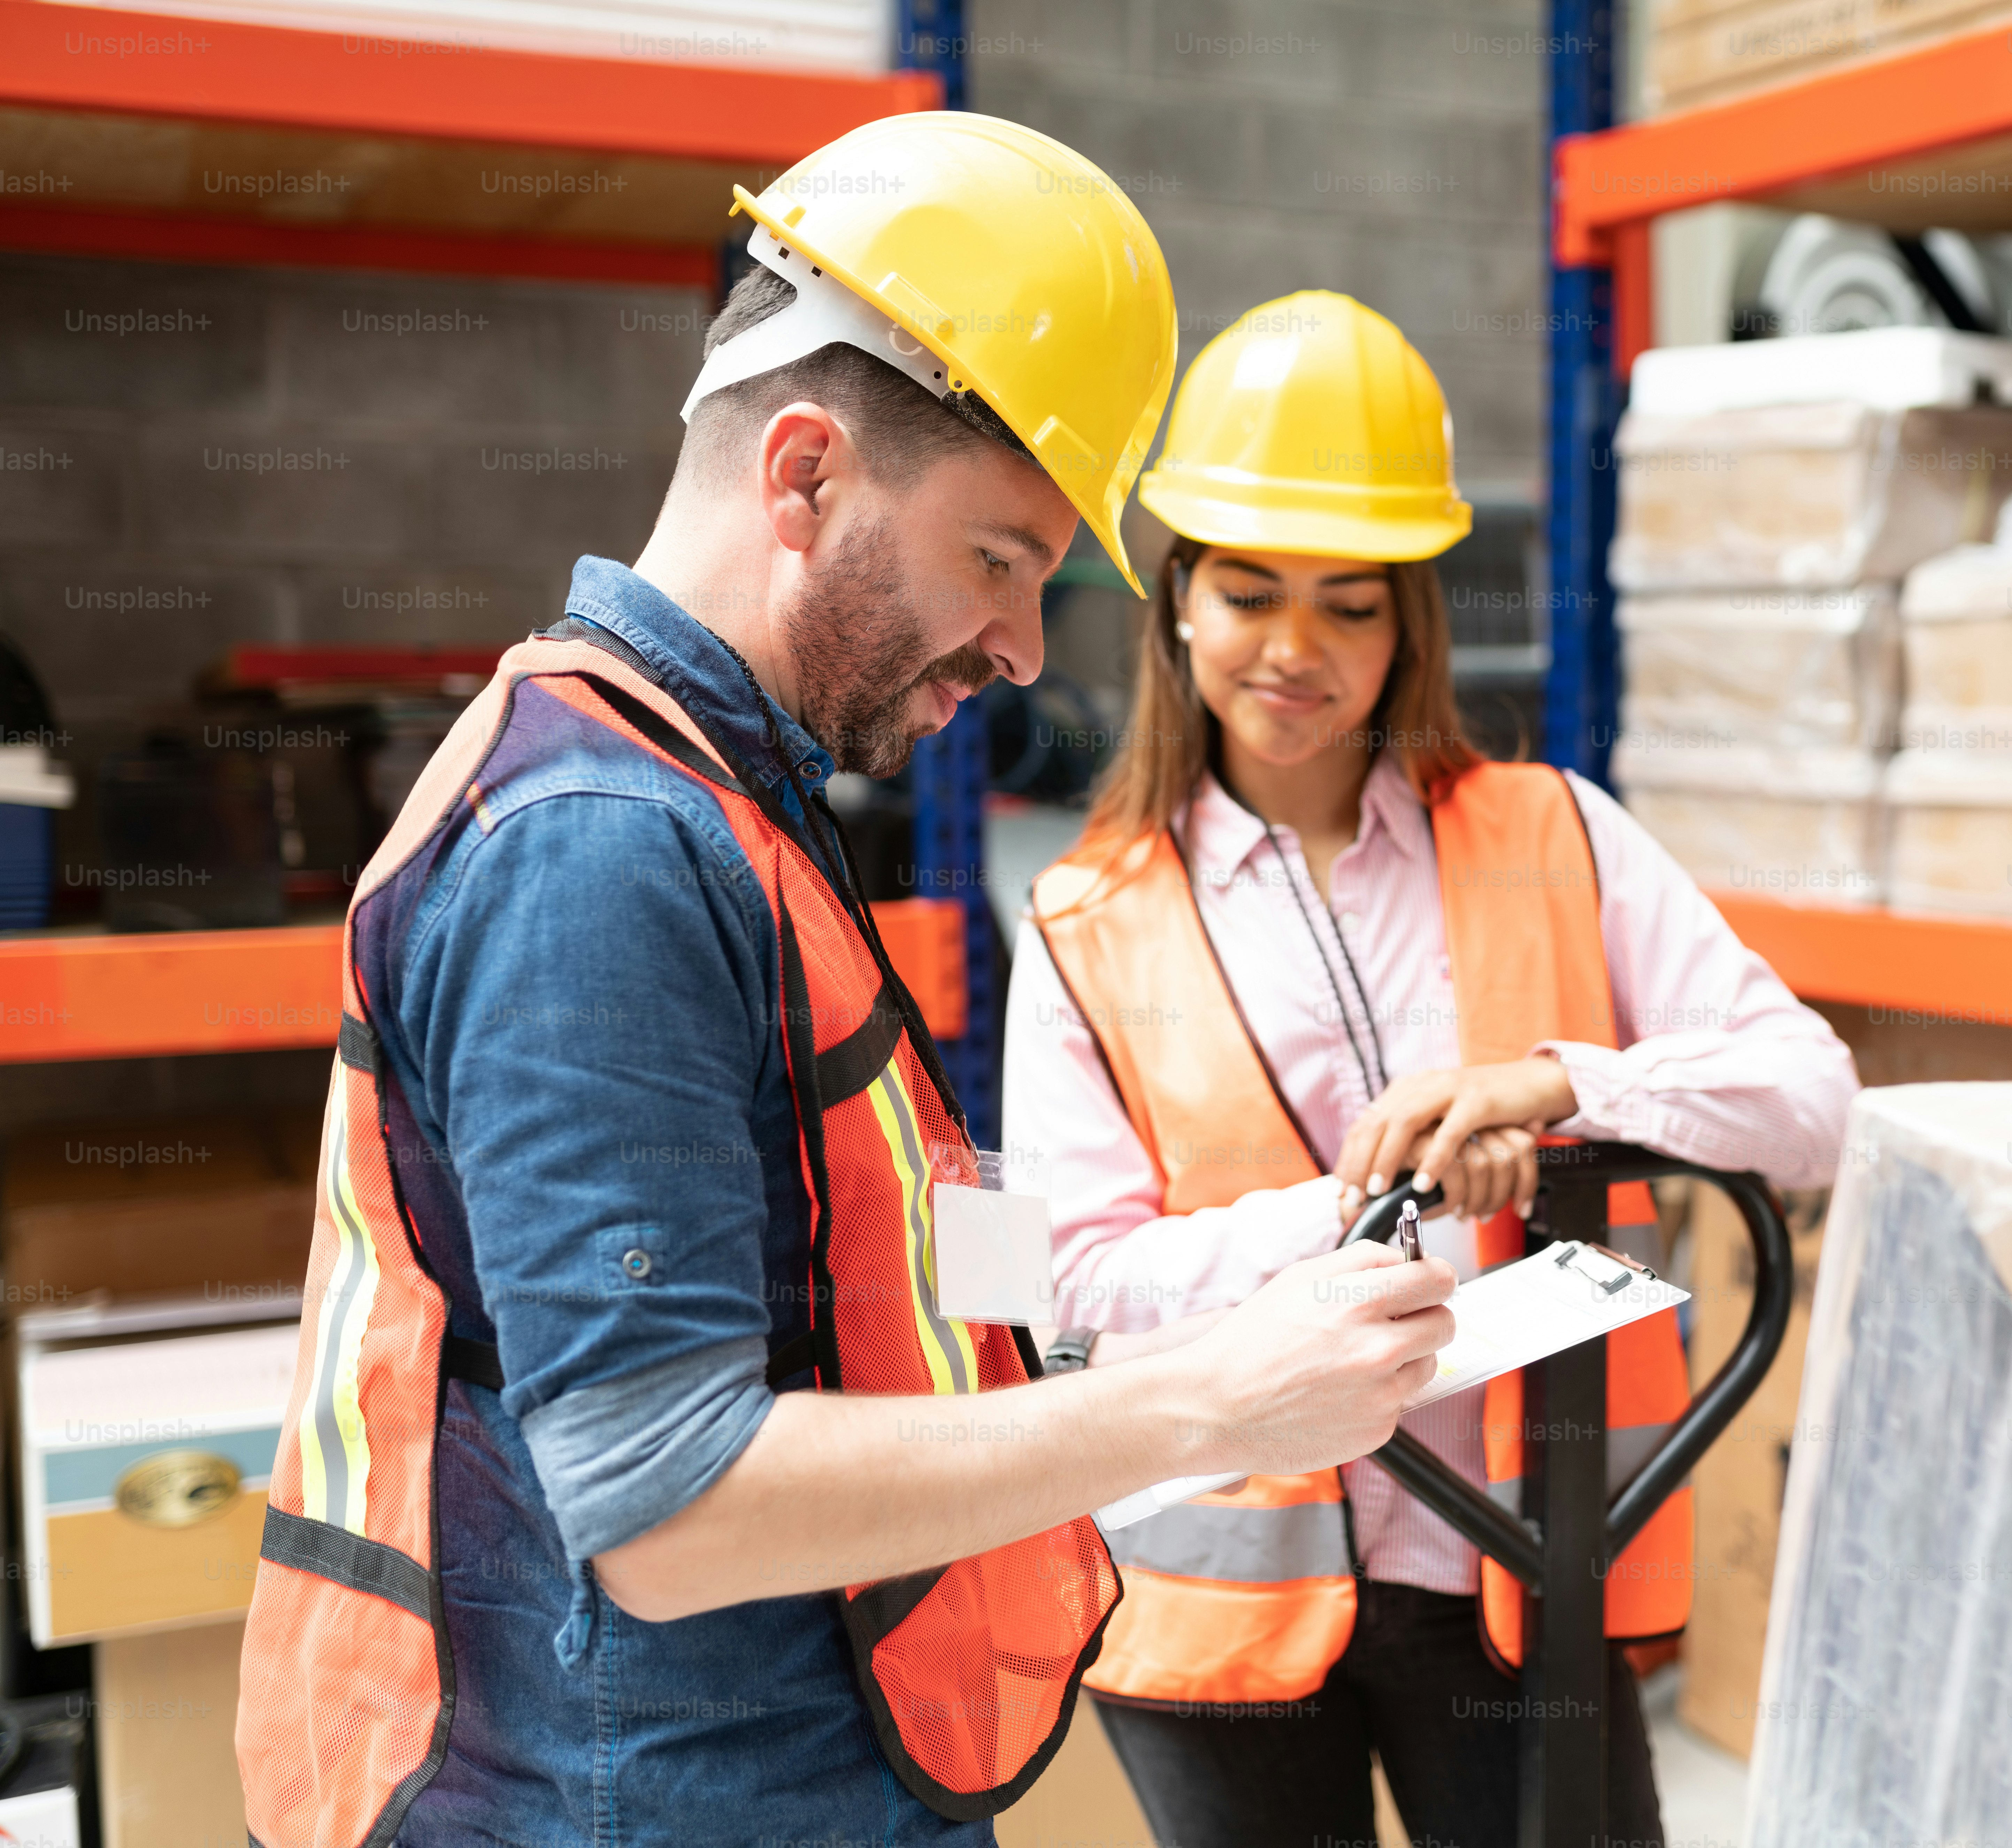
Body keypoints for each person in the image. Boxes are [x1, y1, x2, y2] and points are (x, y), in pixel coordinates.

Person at [233, 121, 1455, 1848]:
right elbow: (669, 1503)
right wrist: (1219, 1399)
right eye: (1001, 560)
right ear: (801, 474)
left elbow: (859, 1227)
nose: (1027, 650)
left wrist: (1168, 1290)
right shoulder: (598, 848)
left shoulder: (732, 797)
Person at [1006, 292, 1857, 1848]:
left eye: (1349, 603)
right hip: (1220, 1607)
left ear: (1410, 623)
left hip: (1511, 1570)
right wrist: (1361, 1214)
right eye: (1250, 594)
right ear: (1177, 604)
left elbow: (1809, 1103)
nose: (1293, 650)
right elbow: (1066, 1282)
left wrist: (1562, 1091)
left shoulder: (1554, 832)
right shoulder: (1080, 920)